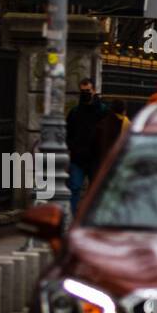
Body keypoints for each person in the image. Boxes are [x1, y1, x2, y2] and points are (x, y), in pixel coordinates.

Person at [64, 78, 104, 214]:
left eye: (87, 90)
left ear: (94, 91)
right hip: (78, 158)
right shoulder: (75, 112)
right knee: (74, 188)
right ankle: (72, 220)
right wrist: (72, 147)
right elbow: (68, 133)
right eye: (82, 91)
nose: (85, 93)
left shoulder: (102, 111)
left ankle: (91, 220)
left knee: (95, 192)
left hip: (95, 158)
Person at [93, 97, 130, 170]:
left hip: (103, 162)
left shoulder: (102, 123)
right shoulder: (127, 124)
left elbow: (95, 144)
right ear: (124, 111)